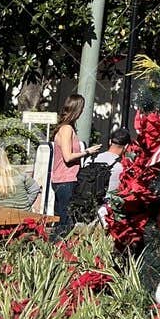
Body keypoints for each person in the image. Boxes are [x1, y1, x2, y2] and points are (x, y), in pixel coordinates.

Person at [58, 127, 132, 236]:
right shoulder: (119, 167)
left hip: (82, 210)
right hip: (102, 217)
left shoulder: (91, 159)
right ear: (126, 147)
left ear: (110, 141)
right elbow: (114, 196)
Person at [50, 94, 92, 229]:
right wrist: (87, 152)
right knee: (66, 221)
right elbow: (67, 157)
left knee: (62, 218)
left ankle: (57, 246)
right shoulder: (67, 129)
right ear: (77, 109)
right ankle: (60, 246)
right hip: (65, 179)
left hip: (62, 179)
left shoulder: (66, 128)